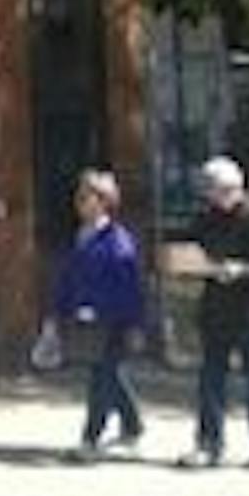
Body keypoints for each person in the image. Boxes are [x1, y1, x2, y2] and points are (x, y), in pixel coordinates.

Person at [179, 155, 249, 470]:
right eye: (209, 192)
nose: (212, 198)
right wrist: (186, 261)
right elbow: (190, 245)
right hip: (216, 313)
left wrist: (241, 270)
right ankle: (208, 445)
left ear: (234, 188)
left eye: (217, 191)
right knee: (210, 382)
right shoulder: (207, 218)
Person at [50, 167, 145, 463]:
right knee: (107, 373)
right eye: (79, 198)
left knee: (101, 380)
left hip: (112, 321)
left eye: (88, 198)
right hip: (86, 319)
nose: (80, 204)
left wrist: (133, 323)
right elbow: (69, 278)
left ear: (105, 202)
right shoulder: (82, 237)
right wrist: (59, 311)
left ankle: (90, 438)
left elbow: (129, 287)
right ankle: (132, 425)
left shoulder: (117, 241)